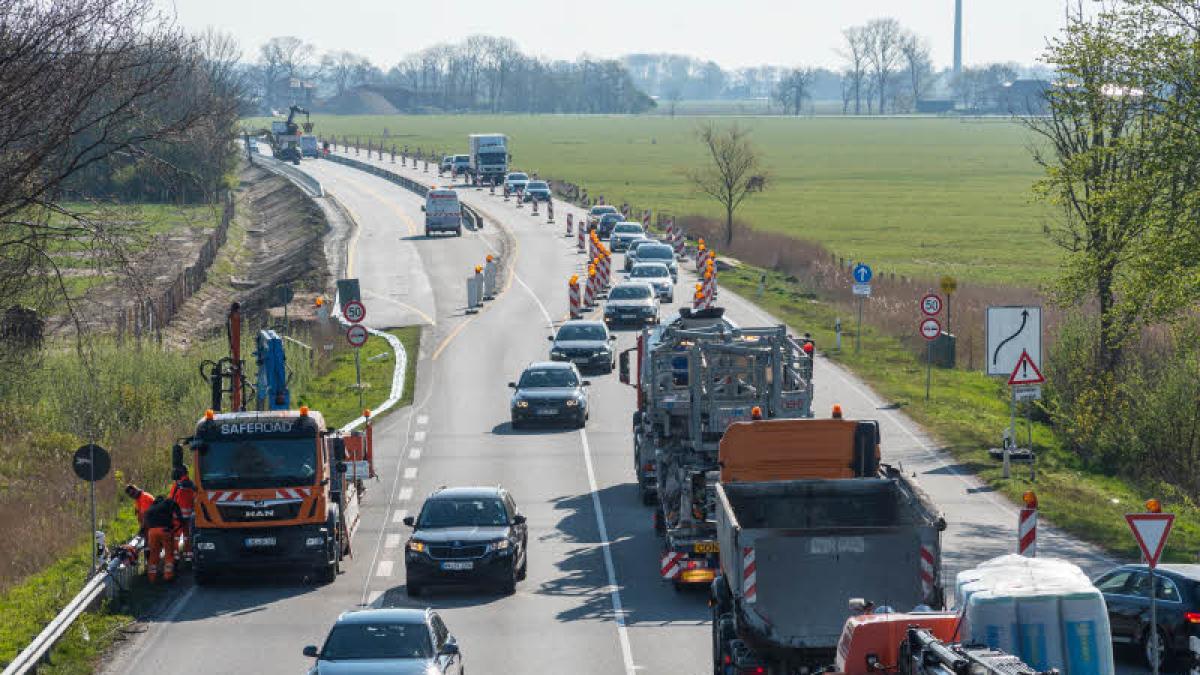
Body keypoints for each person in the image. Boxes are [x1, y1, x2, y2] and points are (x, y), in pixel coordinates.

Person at [141, 495, 182, 583]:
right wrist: (181, 521)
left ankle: (152, 578)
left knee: (153, 555)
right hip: (165, 530)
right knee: (168, 554)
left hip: (151, 532)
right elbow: (176, 507)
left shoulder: (150, 508)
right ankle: (168, 575)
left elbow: (144, 523)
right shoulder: (166, 502)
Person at [168, 466, 196, 560]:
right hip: (189, 517)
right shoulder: (192, 485)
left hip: (177, 516)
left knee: (175, 537)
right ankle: (188, 557)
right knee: (187, 537)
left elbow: (170, 500)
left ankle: (175, 557)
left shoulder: (177, 486)